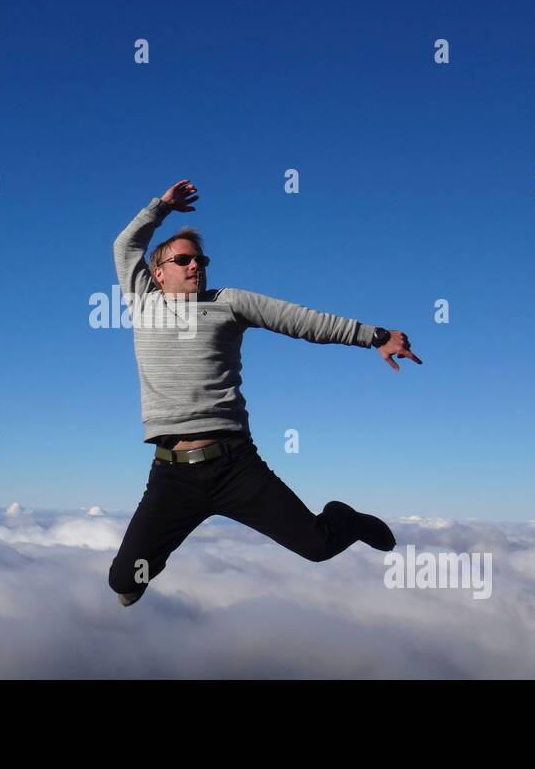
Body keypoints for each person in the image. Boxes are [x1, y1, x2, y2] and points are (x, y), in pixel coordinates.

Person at [107, 178, 423, 607]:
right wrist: (161, 208)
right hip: (172, 475)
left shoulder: (229, 302)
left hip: (234, 466)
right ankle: (151, 558)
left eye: (201, 259)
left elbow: (303, 321)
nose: (196, 265)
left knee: (317, 546)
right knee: (125, 585)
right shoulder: (144, 303)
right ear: (157, 274)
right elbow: (125, 246)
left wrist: (376, 335)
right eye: (184, 260)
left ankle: (344, 519)